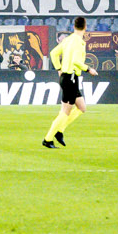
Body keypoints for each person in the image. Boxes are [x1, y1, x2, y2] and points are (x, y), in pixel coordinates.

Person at [43, 16, 96, 149]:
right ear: (85, 27)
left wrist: (59, 69)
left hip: (69, 77)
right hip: (70, 77)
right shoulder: (78, 42)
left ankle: (60, 131)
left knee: (82, 107)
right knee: (66, 111)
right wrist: (89, 69)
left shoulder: (68, 40)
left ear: (73, 26)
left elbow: (54, 53)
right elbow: (76, 62)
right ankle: (48, 139)